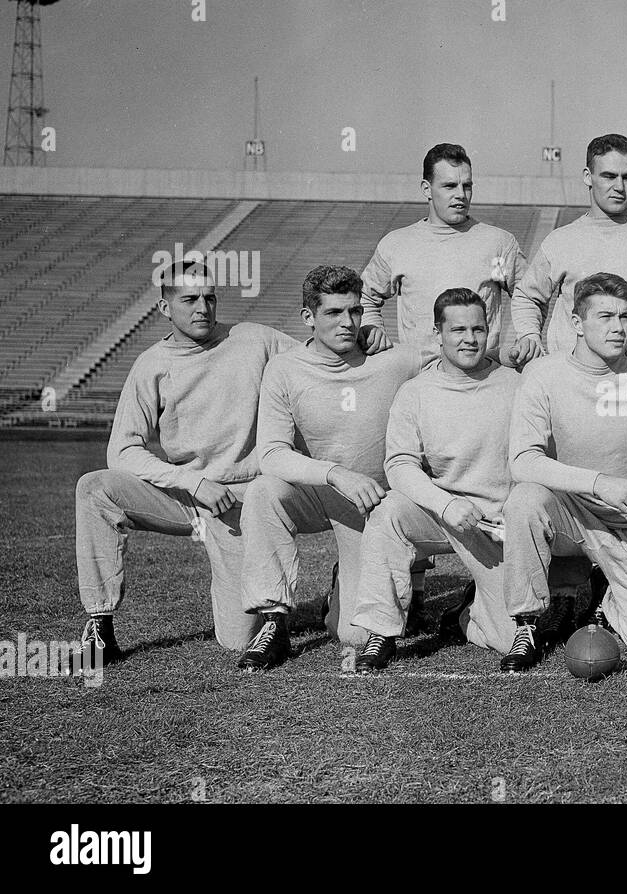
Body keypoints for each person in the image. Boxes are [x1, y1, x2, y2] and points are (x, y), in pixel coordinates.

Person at [74, 259, 298, 664]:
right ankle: (99, 625)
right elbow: (122, 451)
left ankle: (282, 608)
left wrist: (365, 339)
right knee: (95, 487)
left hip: (241, 501)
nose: (203, 309)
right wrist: (192, 482)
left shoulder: (254, 339)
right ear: (165, 308)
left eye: (210, 298)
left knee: (236, 638)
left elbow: (311, 363)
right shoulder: (152, 365)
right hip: (186, 497)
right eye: (190, 299)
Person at [236, 266, 429, 670]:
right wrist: (335, 473)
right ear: (308, 317)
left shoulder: (397, 360)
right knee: (263, 491)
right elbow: (270, 453)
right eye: (334, 313)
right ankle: (273, 620)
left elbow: (458, 358)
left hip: (371, 504)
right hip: (317, 492)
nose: (348, 323)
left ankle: (349, 582)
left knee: (354, 634)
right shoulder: (285, 369)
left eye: (355, 312)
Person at [501, 273, 627, 672]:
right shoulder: (544, 375)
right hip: (570, 514)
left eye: (624, 317)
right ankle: (527, 623)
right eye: (605, 316)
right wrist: (599, 483)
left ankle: (607, 596)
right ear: (576, 322)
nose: (618, 327)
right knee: (525, 499)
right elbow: (523, 461)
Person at [349, 288, 523, 671]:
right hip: (445, 516)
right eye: (458, 329)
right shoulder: (415, 392)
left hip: (498, 526)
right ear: (437, 332)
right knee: (388, 511)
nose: (470, 339)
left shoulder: (515, 385)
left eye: (478, 328)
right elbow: (399, 464)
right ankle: (382, 632)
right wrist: (445, 503)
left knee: (509, 639)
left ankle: (466, 614)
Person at [509, 133, 627, 364]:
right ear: (588, 177)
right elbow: (527, 296)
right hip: (572, 378)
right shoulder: (560, 240)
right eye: (609, 176)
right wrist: (529, 335)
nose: (619, 186)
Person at [360, 143, 524, 359]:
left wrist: (525, 335)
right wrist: (372, 328)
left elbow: (526, 295)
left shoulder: (497, 244)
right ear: (426, 189)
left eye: (467, 186)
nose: (461, 195)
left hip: (479, 375)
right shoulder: (397, 244)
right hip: (421, 377)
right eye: (449, 186)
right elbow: (366, 297)